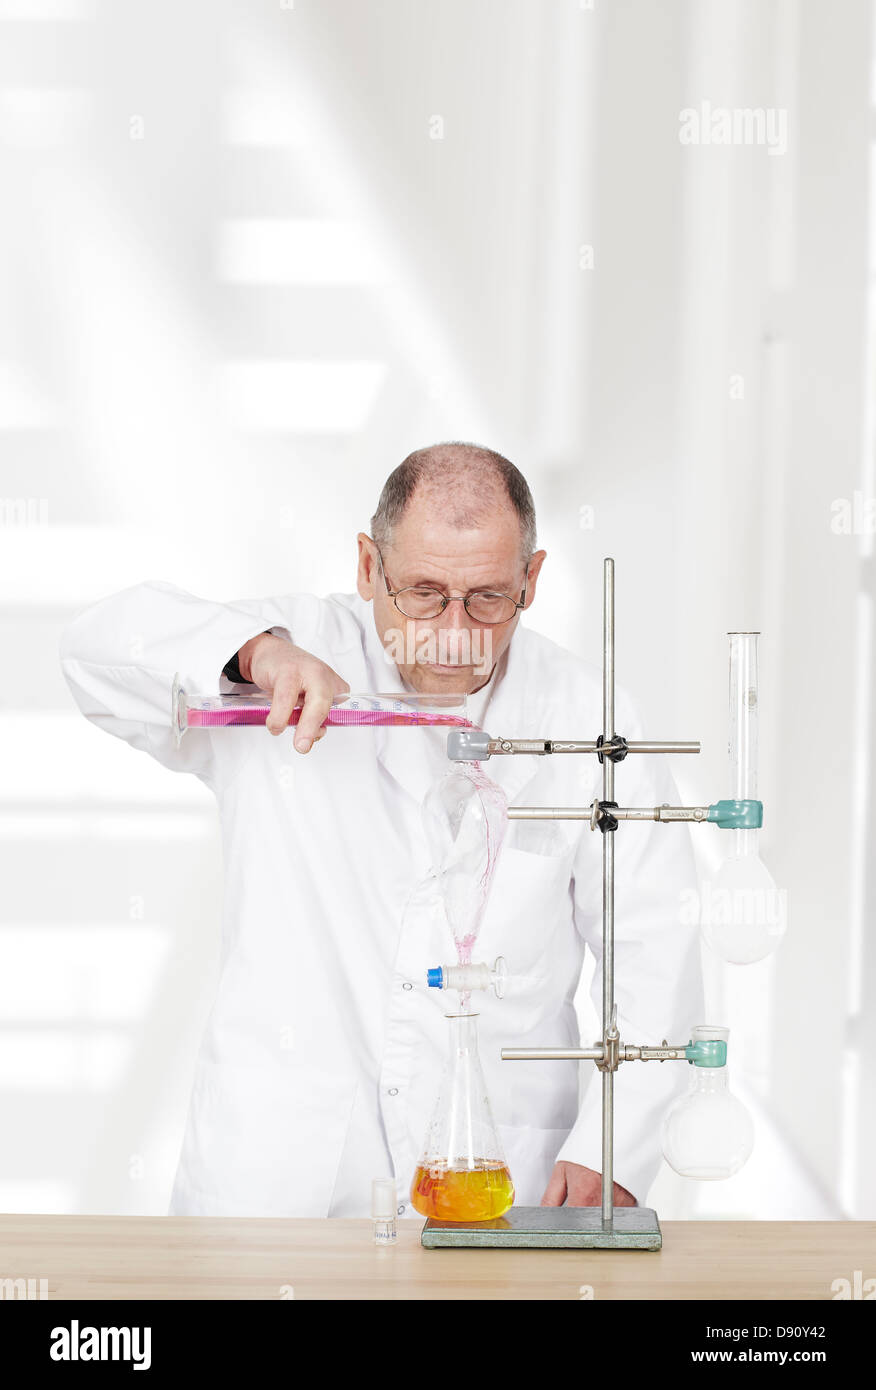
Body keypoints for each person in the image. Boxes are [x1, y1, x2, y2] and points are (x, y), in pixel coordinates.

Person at [59, 441, 704, 1217]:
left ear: (531, 579)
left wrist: (615, 1145)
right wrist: (254, 656)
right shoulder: (281, 656)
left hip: (505, 1171)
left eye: (489, 597)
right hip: (279, 1177)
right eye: (424, 593)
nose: (456, 630)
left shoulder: (587, 716)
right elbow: (96, 651)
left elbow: (655, 946)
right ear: (368, 567)